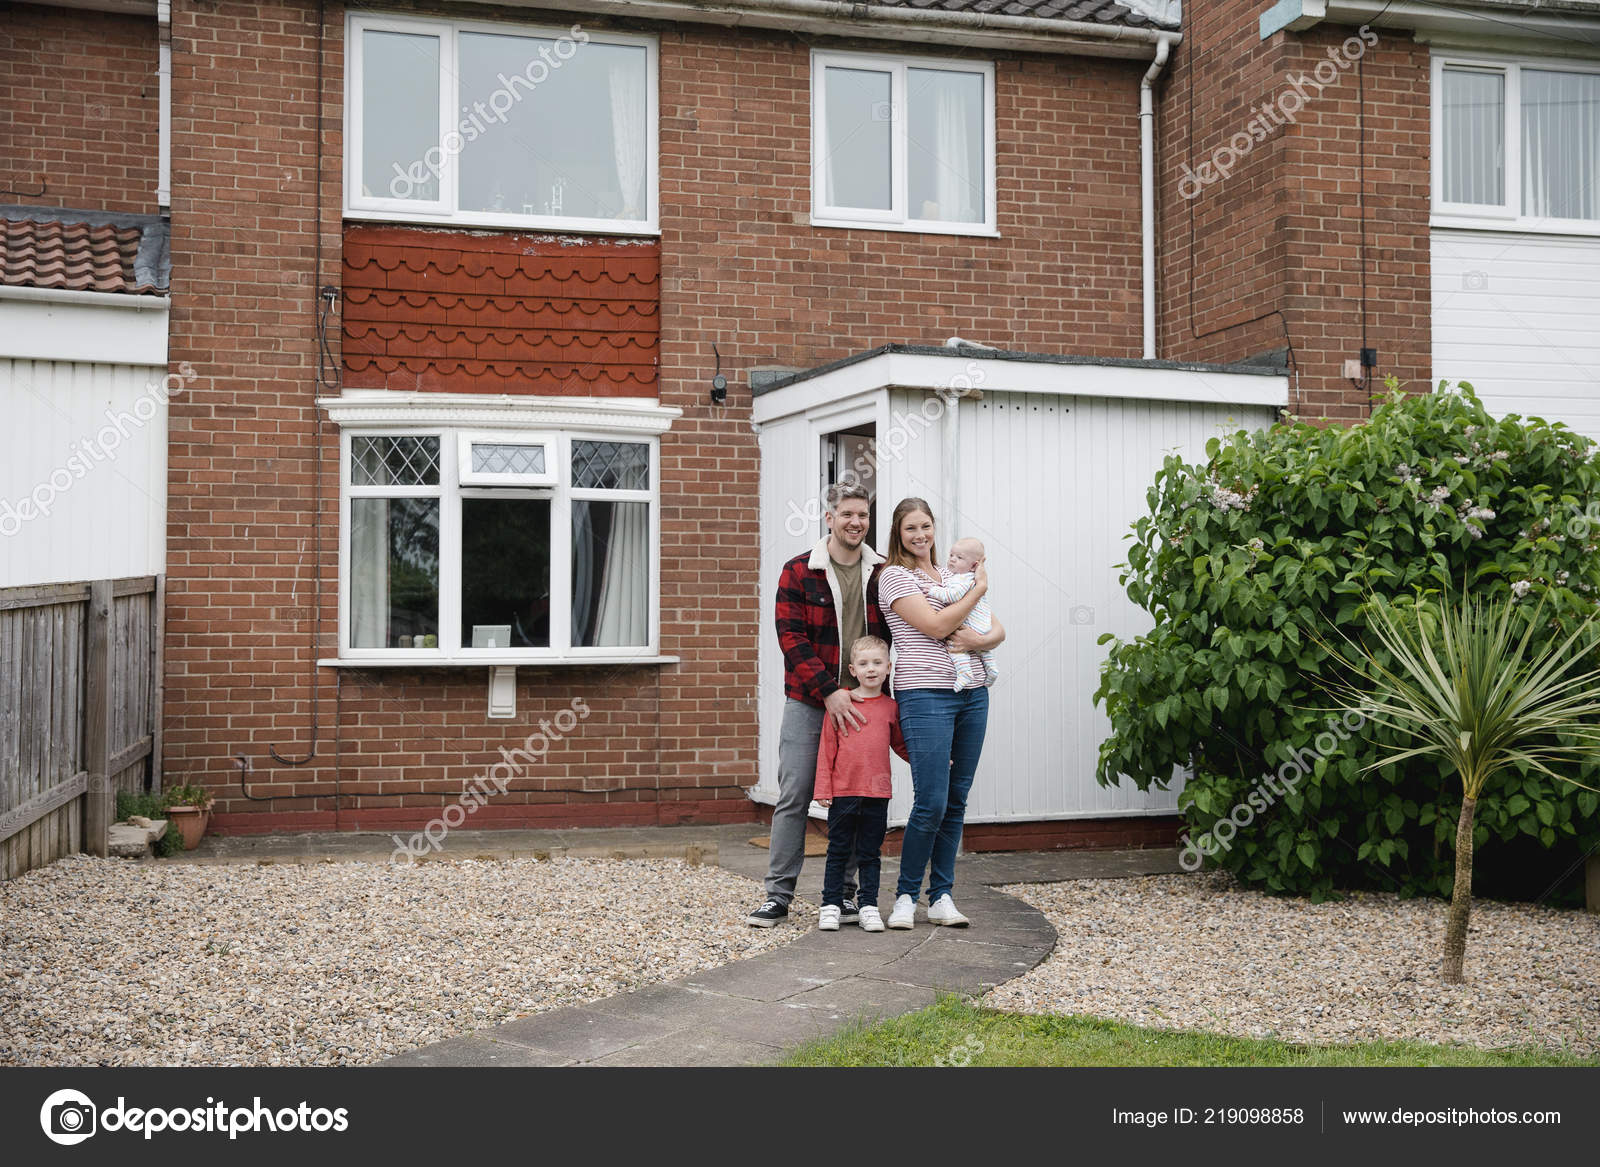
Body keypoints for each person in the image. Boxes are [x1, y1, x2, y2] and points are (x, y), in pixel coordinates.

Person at [746, 481, 889, 927]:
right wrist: (829, 690)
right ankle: (778, 895)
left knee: (855, 799)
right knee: (794, 795)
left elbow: (899, 633)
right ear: (829, 518)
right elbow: (791, 638)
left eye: (862, 515)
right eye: (847, 514)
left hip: (863, 706)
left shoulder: (882, 573)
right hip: (810, 701)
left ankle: (844, 894)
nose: (856, 522)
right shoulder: (798, 571)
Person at [870, 498, 1004, 929]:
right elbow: (935, 626)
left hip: (972, 693)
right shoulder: (892, 576)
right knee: (931, 800)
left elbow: (998, 630)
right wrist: (980, 589)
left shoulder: (950, 574)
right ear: (898, 532)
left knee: (957, 799)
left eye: (925, 526)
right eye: (910, 528)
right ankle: (907, 896)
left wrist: (978, 642)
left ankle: (941, 895)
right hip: (925, 695)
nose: (920, 535)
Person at [813, 636, 908, 933]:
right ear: (853, 670)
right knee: (838, 850)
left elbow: (902, 745)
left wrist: (931, 760)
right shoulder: (841, 703)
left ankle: (868, 906)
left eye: (877, 663)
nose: (871, 669)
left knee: (870, 853)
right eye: (864, 664)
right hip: (843, 792)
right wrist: (823, 790)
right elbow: (826, 749)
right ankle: (831, 905)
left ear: (888, 667)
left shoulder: (891, 707)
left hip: (877, 794)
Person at [928, 537, 999, 692]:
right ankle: (992, 668)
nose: (952, 560)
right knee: (983, 650)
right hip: (982, 624)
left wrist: (933, 590)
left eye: (959, 558)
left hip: (971, 625)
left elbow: (952, 596)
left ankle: (964, 672)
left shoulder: (962, 579)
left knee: (955, 645)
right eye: (951, 555)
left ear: (974, 566)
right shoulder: (968, 578)